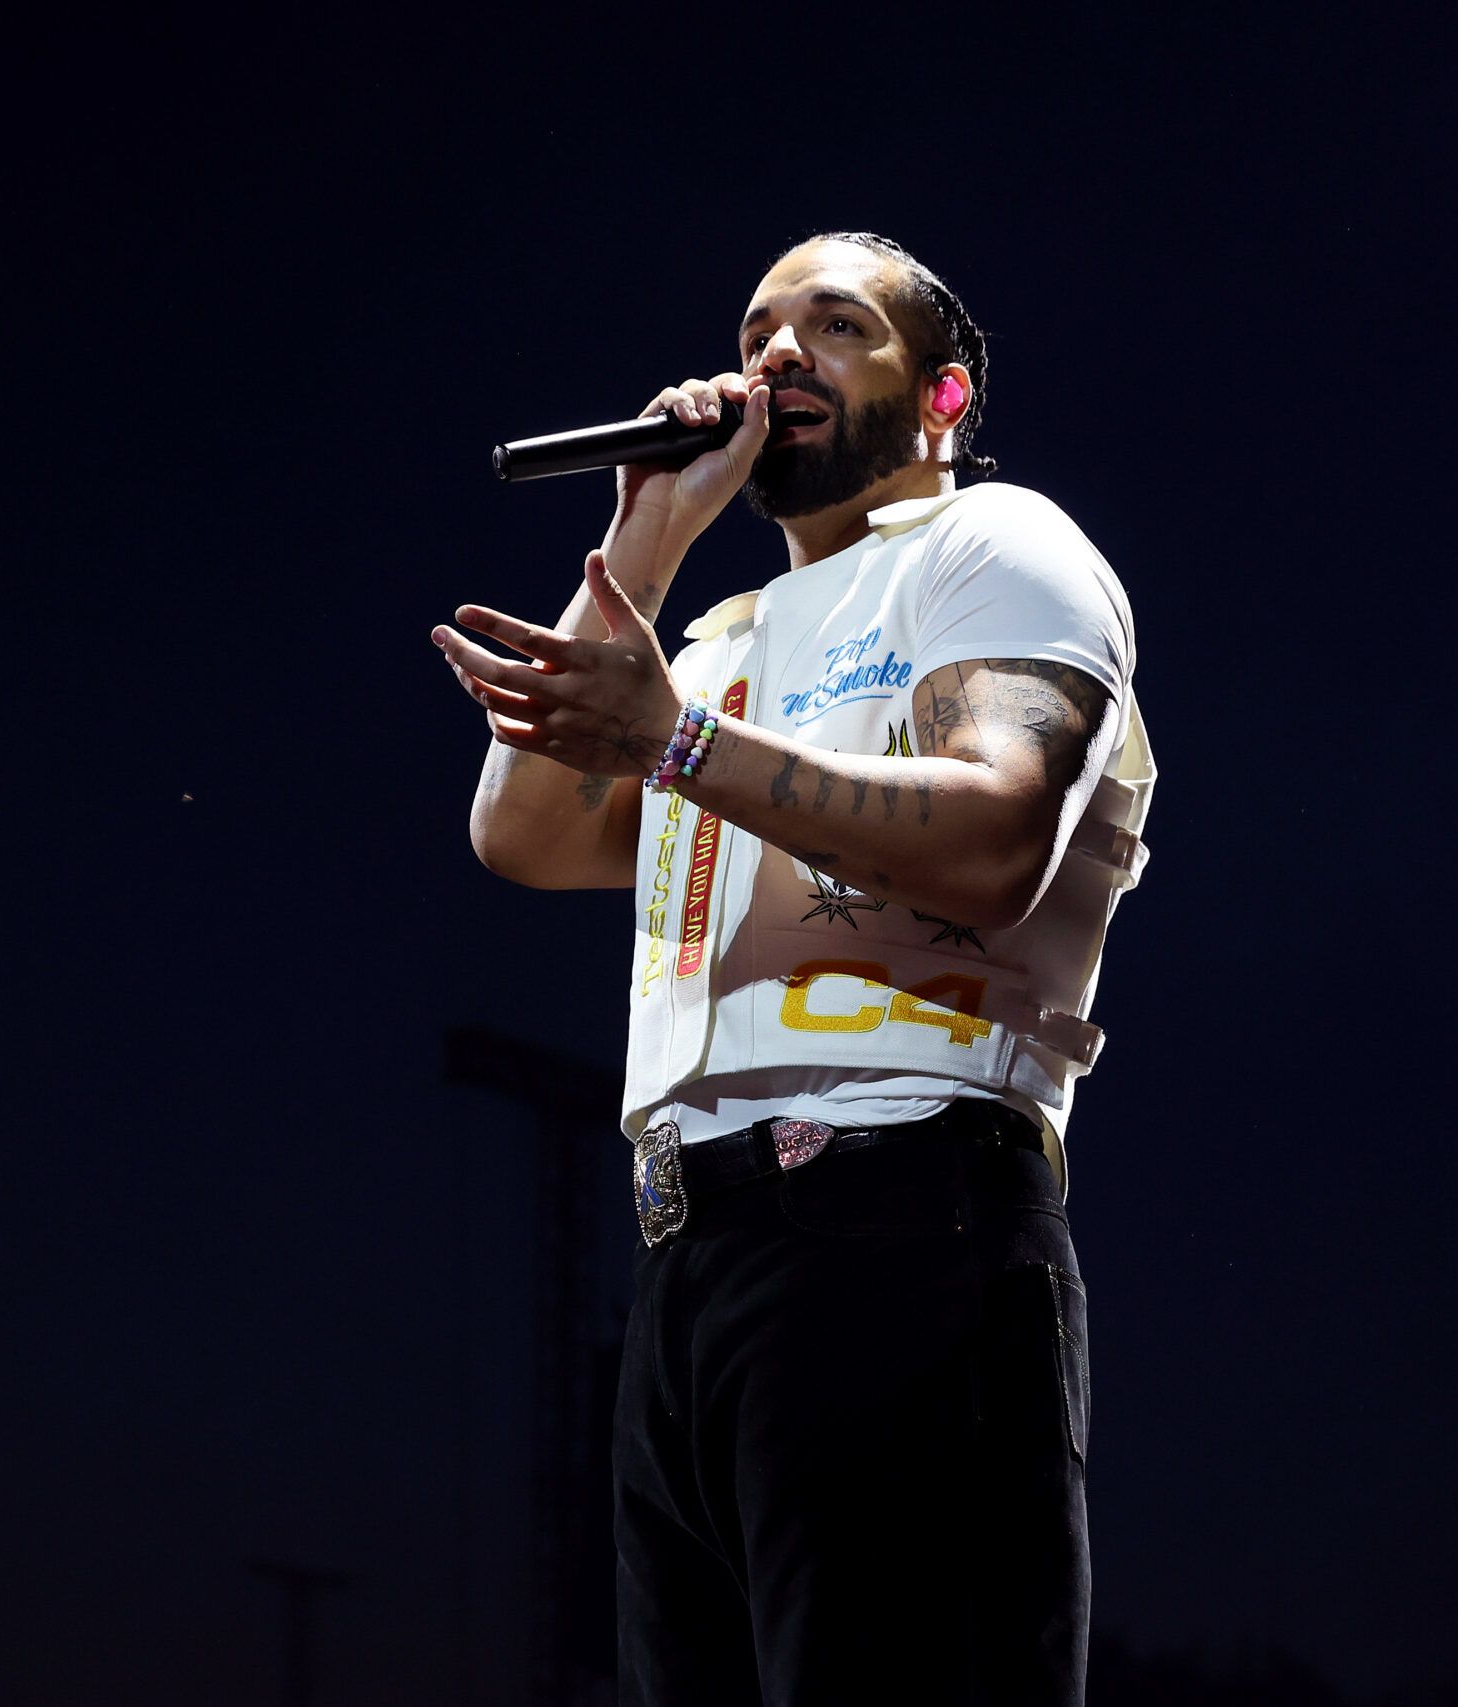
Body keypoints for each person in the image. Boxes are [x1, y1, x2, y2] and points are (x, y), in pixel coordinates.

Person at [431, 231, 1157, 1705]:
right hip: (692, 1260)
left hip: (903, 1210)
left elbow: (995, 835)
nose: (776, 353)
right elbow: (522, 834)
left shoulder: (992, 545)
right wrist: (646, 536)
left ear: (942, 394)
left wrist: (676, 741)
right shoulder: (715, 645)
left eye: (838, 326)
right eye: (758, 330)